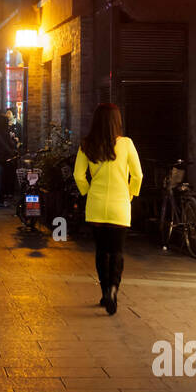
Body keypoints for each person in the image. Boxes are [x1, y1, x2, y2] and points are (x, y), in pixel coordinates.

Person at [73, 102, 143, 316]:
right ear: (117, 121)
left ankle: (104, 291)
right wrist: (130, 194)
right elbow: (138, 175)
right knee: (117, 251)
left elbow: (78, 175)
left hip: (96, 205)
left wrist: (87, 192)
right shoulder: (127, 144)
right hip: (119, 206)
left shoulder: (87, 145)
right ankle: (114, 288)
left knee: (101, 251)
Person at [0, 110, 19, 206]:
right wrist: (14, 149)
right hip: (4, 159)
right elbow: (7, 146)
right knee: (3, 181)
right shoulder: (4, 133)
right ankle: (0, 201)